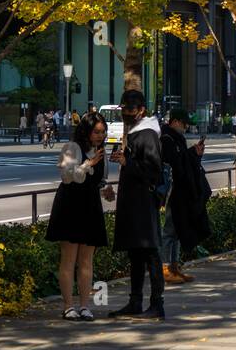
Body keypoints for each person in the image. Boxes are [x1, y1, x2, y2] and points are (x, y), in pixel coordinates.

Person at [46, 112, 115, 320]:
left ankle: (85, 306)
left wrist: (107, 189)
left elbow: (100, 180)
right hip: (70, 203)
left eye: (103, 132)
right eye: (96, 132)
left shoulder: (101, 152)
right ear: (86, 130)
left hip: (90, 204)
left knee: (86, 259)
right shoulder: (71, 148)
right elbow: (67, 177)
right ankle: (68, 306)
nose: (100, 136)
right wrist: (88, 164)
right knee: (69, 258)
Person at [109, 89, 165, 321]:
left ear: (141, 110)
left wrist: (127, 161)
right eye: (124, 110)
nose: (126, 114)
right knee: (136, 253)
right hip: (134, 201)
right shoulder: (137, 132)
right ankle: (135, 301)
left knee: (149, 252)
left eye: (130, 110)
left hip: (142, 202)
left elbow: (153, 170)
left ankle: (156, 304)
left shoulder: (147, 133)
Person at [160, 109, 212, 282]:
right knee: (170, 229)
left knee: (177, 228)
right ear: (174, 121)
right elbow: (175, 162)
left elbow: (181, 160)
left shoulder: (176, 139)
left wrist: (193, 153)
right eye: (184, 123)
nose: (186, 127)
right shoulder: (167, 139)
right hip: (172, 189)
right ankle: (166, 267)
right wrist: (191, 154)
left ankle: (174, 267)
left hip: (180, 189)